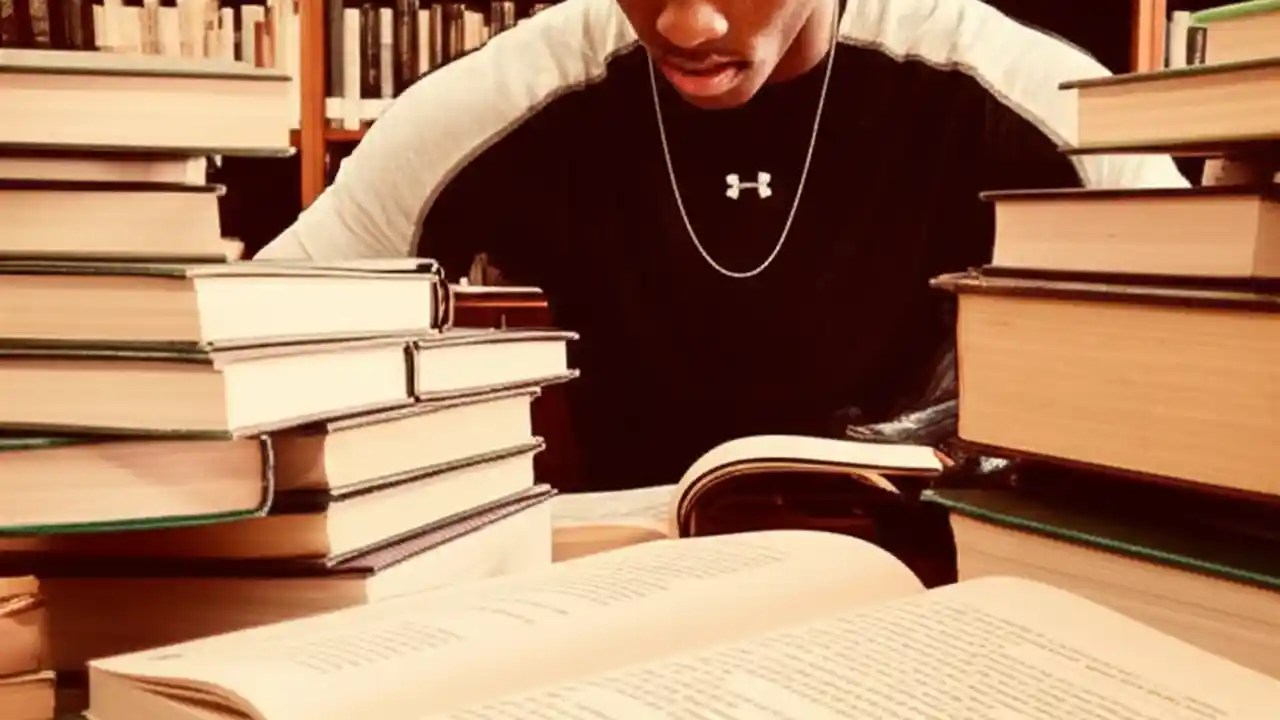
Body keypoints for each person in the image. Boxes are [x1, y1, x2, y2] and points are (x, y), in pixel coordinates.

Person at [257, 0, 1188, 491]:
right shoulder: (521, 87)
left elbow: (1215, 339)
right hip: (625, 583)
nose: (687, 25)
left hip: (920, 567)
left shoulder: (995, 80)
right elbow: (259, 325)